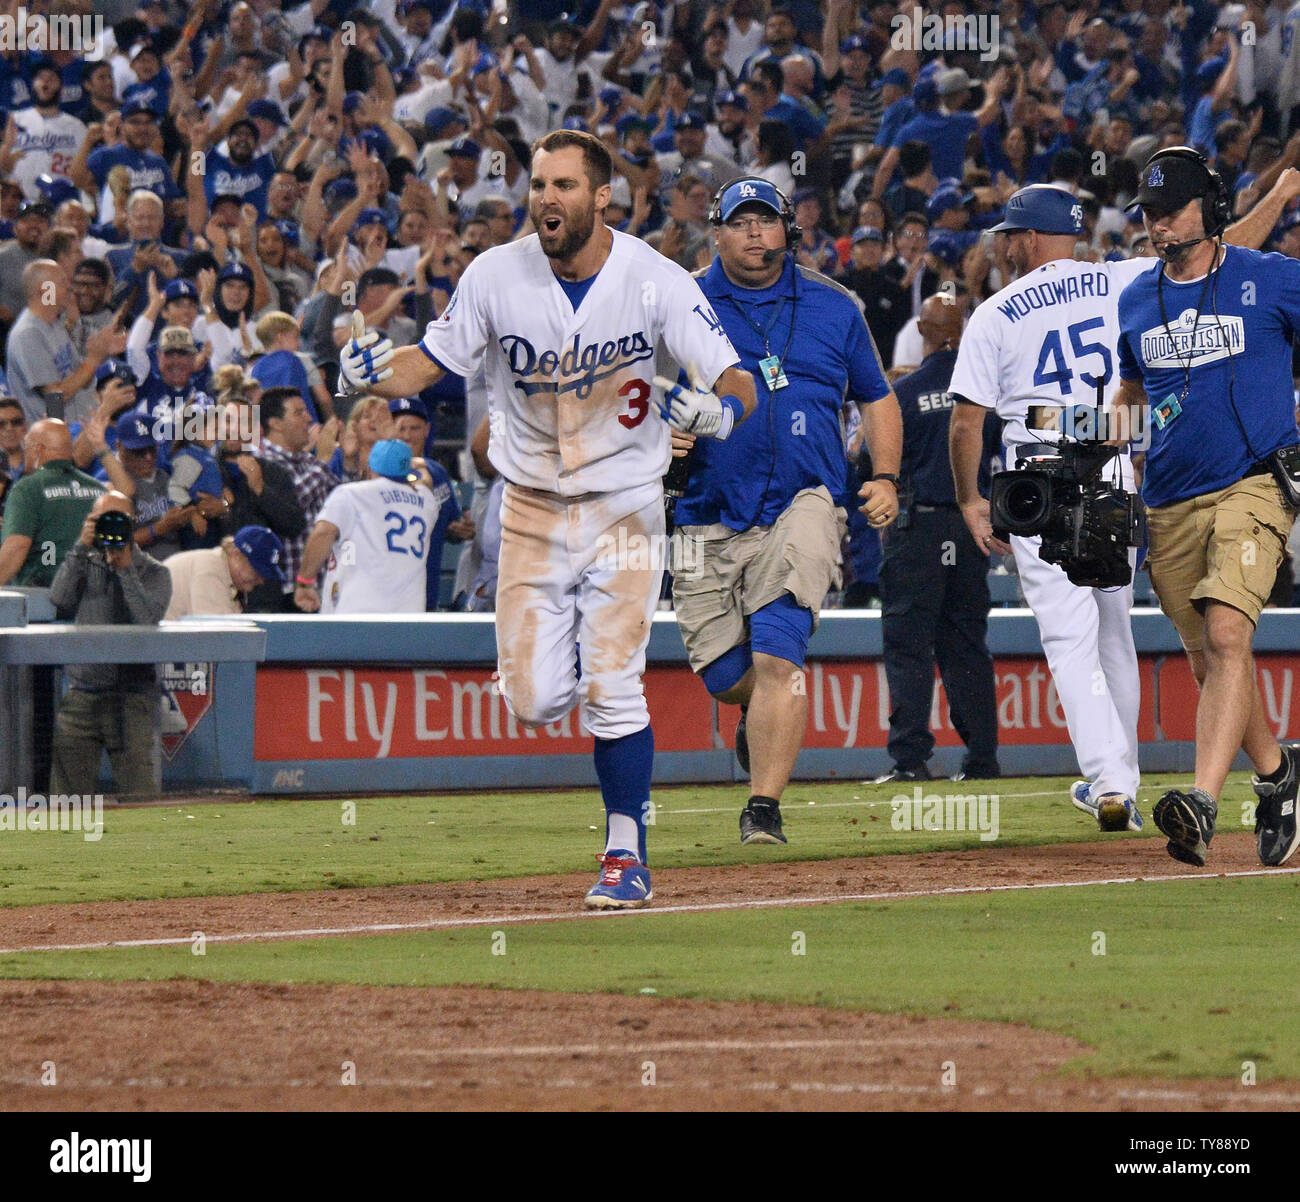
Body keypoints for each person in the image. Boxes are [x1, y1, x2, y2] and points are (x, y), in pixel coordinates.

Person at [339, 129, 755, 909]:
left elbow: (737, 376)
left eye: (564, 185)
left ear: (602, 197)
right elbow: (426, 364)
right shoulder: (496, 275)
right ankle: (582, 677)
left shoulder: (653, 277)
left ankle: (624, 855)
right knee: (529, 699)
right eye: (538, 184)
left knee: (616, 687)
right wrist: (370, 370)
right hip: (527, 504)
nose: (546, 199)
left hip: (625, 505)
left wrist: (719, 410)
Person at [948, 175, 1295, 835]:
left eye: (1011, 236)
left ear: (1026, 236)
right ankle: (1121, 777)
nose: (1006, 247)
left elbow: (967, 422)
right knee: (1115, 630)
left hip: (1047, 468)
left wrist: (969, 497)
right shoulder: (1124, 280)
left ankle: (1111, 783)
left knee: (1068, 638)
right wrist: (1277, 197)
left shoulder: (998, 310)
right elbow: (1225, 251)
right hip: (1119, 461)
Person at [663, 176, 902, 846]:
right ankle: (759, 714)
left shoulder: (834, 307)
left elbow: (877, 397)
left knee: (779, 651)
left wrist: (884, 476)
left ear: (786, 229)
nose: (754, 234)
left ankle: (762, 807)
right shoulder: (677, 304)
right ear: (717, 231)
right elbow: (626, 393)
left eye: (766, 221)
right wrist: (661, 431)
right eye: (740, 223)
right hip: (702, 514)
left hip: (806, 499)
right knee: (726, 677)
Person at [1112, 147, 1300, 868]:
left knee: (1226, 635)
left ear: (1210, 209)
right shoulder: (1135, 299)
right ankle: (1280, 774)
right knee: (1210, 656)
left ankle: (1201, 802)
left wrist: (1282, 191)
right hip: (1167, 500)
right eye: (1149, 214)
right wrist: (1104, 449)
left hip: (1254, 484)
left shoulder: (1271, 279)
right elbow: (1132, 394)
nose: (1157, 226)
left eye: (1170, 211)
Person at [877, 294, 1000, 784]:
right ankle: (983, 759)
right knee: (967, 644)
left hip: (919, 528)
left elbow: (873, 466)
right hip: (973, 528)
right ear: (961, 330)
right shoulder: (982, 391)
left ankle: (910, 760)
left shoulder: (904, 394)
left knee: (910, 645)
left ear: (923, 332)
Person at [48, 490, 172, 797]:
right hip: (82, 696)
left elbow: (146, 621)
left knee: (140, 799)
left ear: (132, 523)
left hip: (132, 698)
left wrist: (125, 569)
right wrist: (80, 547)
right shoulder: (83, 563)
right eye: (103, 520)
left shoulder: (156, 572)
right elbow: (59, 600)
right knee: (67, 802)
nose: (112, 528)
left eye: (119, 520)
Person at [294, 439, 433, 614]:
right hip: (408, 616)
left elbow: (323, 532)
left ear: (370, 467)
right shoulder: (427, 501)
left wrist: (304, 581)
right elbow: (426, 482)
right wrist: (421, 467)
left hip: (357, 613)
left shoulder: (351, 494)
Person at [0, 418, 105, 586]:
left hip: (46, 598)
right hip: (96, 596)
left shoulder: (28, 488)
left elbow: (16, 547)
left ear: (38, 450)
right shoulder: (100, 489)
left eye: (26, 447)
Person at [165, 525, 287, 617]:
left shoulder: (224, 570)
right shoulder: (211, 568)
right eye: (257, 571)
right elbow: (216, 636)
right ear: (236, 554)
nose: (261, 581)